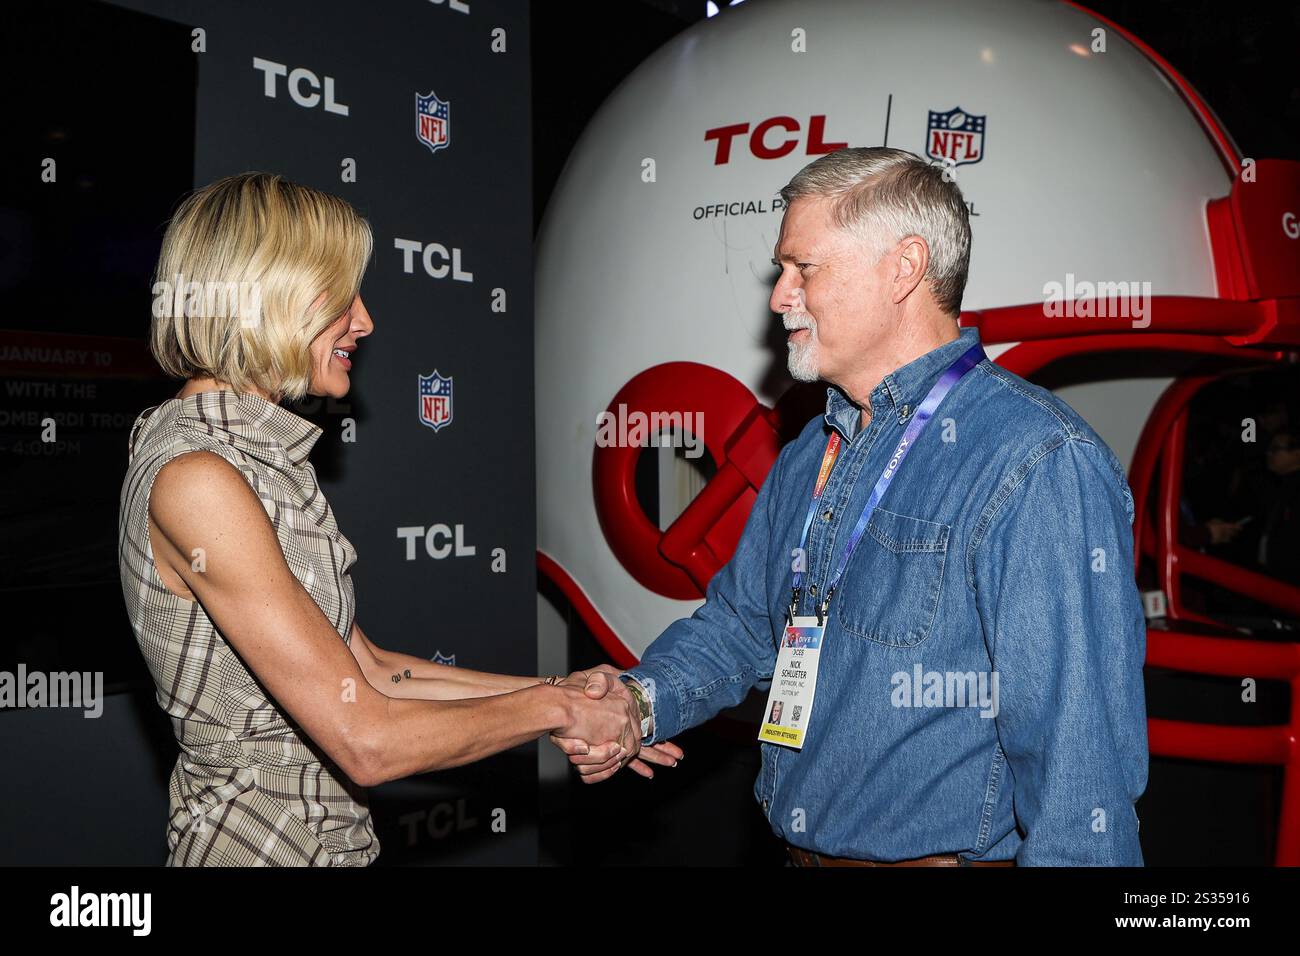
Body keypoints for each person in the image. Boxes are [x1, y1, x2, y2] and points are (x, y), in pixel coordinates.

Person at [554, 147, 1148, 866]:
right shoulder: (813, 448)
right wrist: (638, 705)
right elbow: (743, 628)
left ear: (903, 268)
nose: (779, 295)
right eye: (783, 270)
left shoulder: (1037, 461)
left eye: (805, 268)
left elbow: (1077, 778)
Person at [119, 172, 680, 866]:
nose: (365, 320)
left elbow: (371, 670)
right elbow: (367, 740)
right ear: (265, 294)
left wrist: (563, 688)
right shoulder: (198, 477)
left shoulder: (258, 459)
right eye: (341, 294)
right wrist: (564, 712)